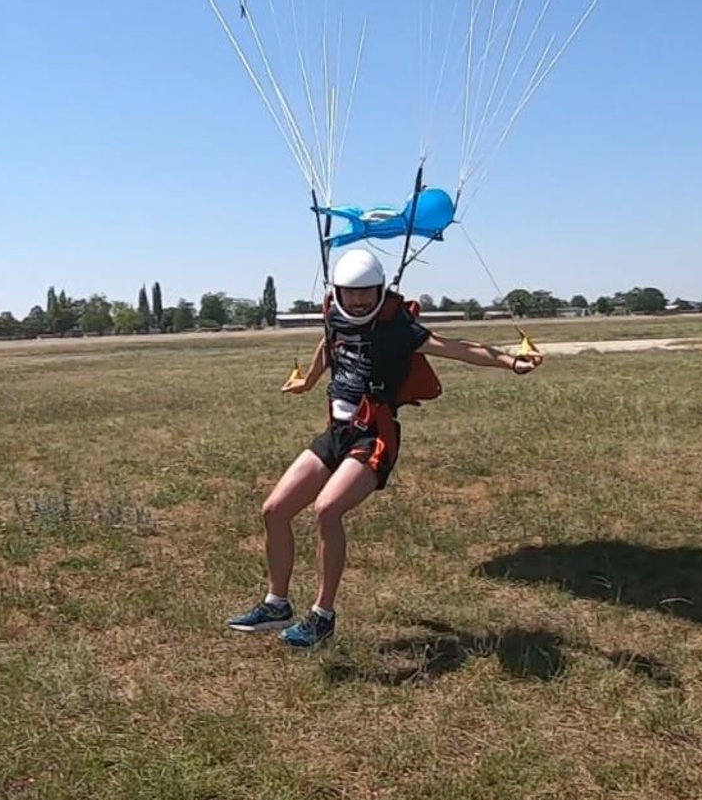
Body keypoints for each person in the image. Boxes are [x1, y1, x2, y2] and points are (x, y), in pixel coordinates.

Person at [227, 246, 542, 648]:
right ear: (338, 291)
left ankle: (322, 616)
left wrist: (510, 362)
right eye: (350, 292)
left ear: (380, 289)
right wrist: (308, 380)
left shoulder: (396, 327)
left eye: (367, 292)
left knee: (327, 509)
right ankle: (277, 603)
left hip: (374, 435)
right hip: (336, 434)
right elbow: (329, 344)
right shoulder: (333, 311)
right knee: (274, 510)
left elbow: (456, 347)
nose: (358, 300)